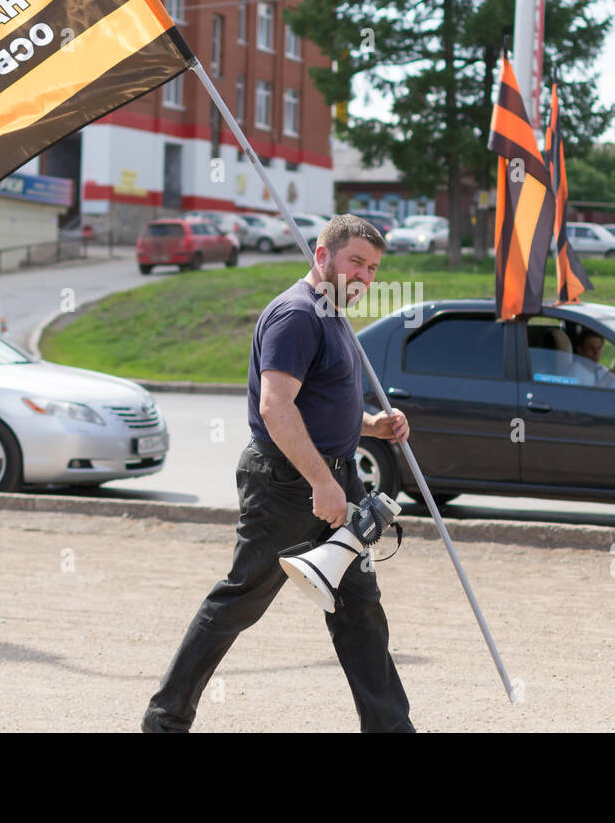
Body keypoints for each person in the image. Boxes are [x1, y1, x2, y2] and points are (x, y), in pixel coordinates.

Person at [142, 214, 415, 733]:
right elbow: (276, 407)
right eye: (355, 261)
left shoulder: (332, 313)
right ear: (321, 256)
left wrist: (372, 427)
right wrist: (322, 483)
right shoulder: (296, 315)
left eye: (373, 268)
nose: (364, 276)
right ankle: (165, 721)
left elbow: (315, 406)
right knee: (240, 601)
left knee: (360, 610)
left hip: (335, 481)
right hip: (286, 485)